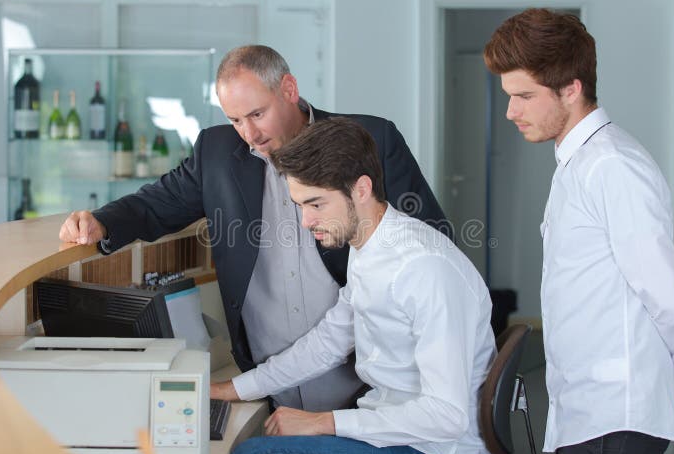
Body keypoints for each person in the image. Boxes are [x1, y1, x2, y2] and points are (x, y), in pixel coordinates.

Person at [58, 45, 448, 413]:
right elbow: (158, 203)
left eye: (258, 114)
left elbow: (426, 238)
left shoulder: (370, 139)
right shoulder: (214, 152)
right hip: (266, 382)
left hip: (363, 375)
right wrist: (102, 220)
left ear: (289, 89)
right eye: (235, 119)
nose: (249, 133)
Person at [483, 8, 674, 454]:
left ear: (571, 88)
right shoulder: (578, 161)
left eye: (524, 96)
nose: (511, 111)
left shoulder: (611, 166)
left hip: (617, 412)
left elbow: (663, 289)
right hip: (590, 406)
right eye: (509, 96)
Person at [210, 117, 495, 454]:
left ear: (361, 189)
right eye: (299, 205)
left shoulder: (422, 267)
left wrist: (321, 422)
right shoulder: (370, 247)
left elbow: (446, 415)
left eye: (316, 204)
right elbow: (327, 342)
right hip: (399, 434)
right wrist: (232, 389)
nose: (305, 221)